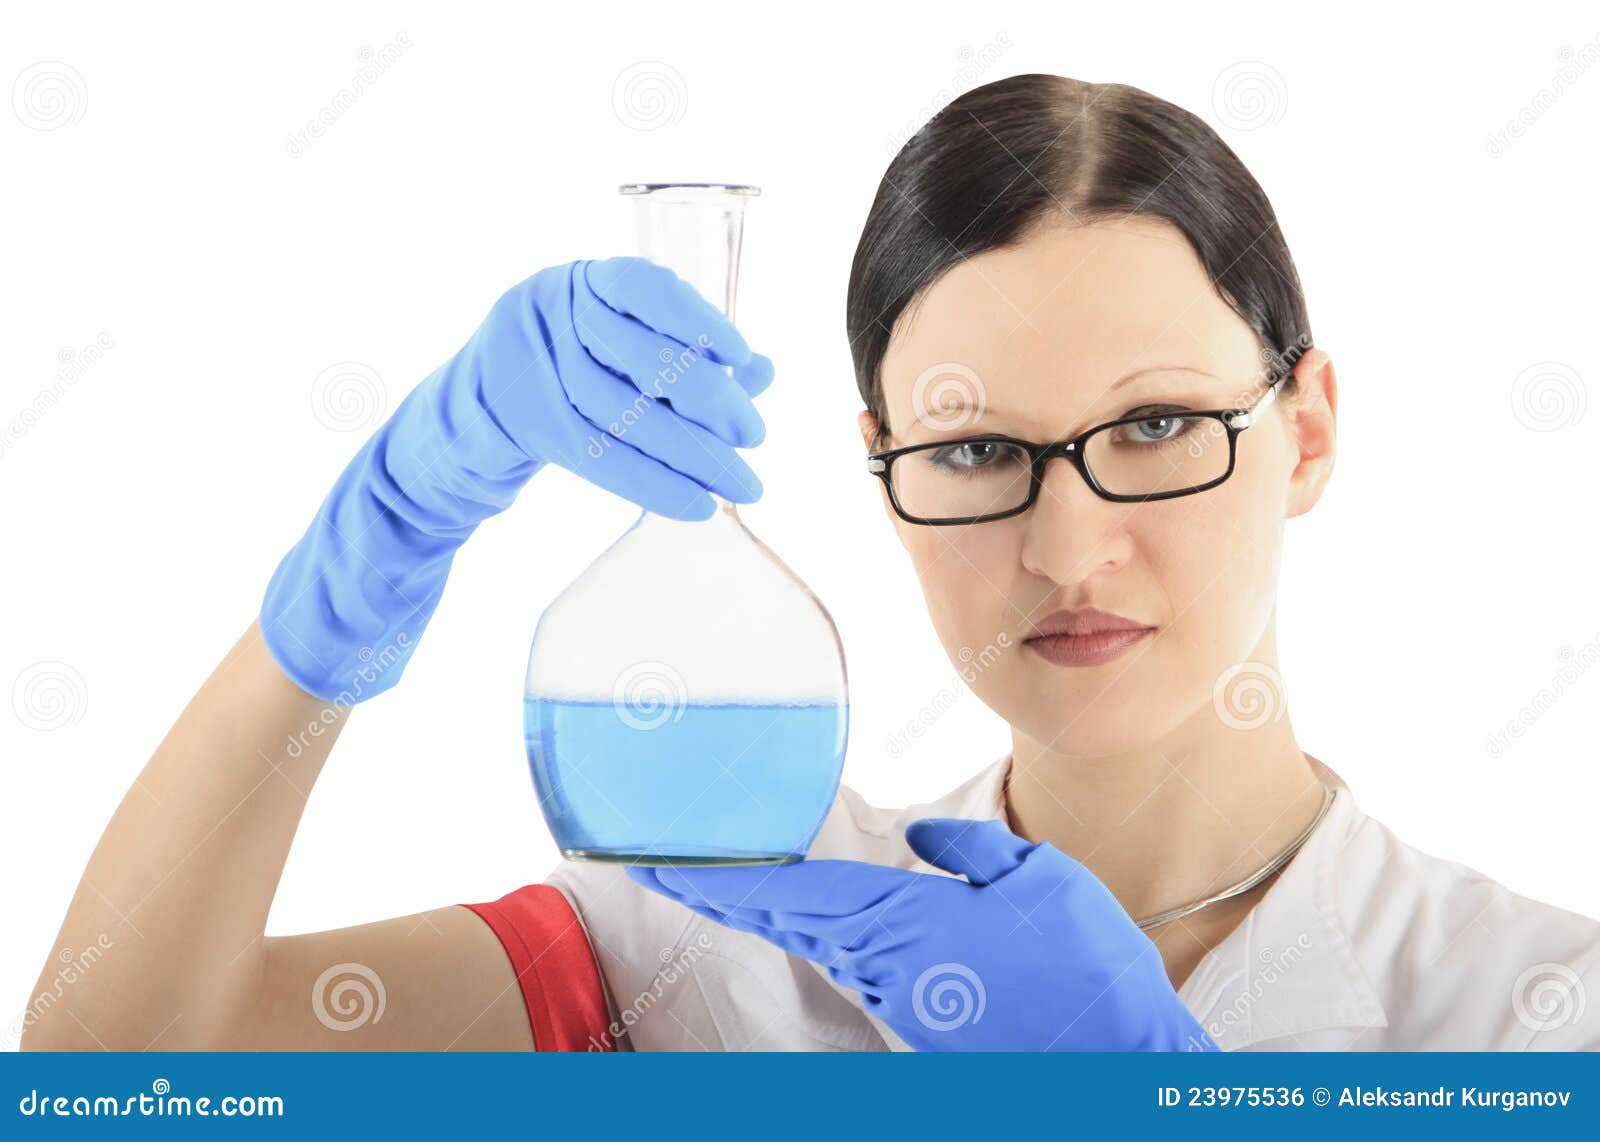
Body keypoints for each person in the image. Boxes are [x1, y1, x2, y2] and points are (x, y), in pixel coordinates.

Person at [22, 74, 1598, 1053]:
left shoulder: (1543, 1013)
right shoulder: (727, 946)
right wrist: (372, 556)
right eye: (978, 449)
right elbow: (119, 1076)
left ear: (1306, 431)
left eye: (1160, 424)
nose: (1067, 545)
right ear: (883, 471)